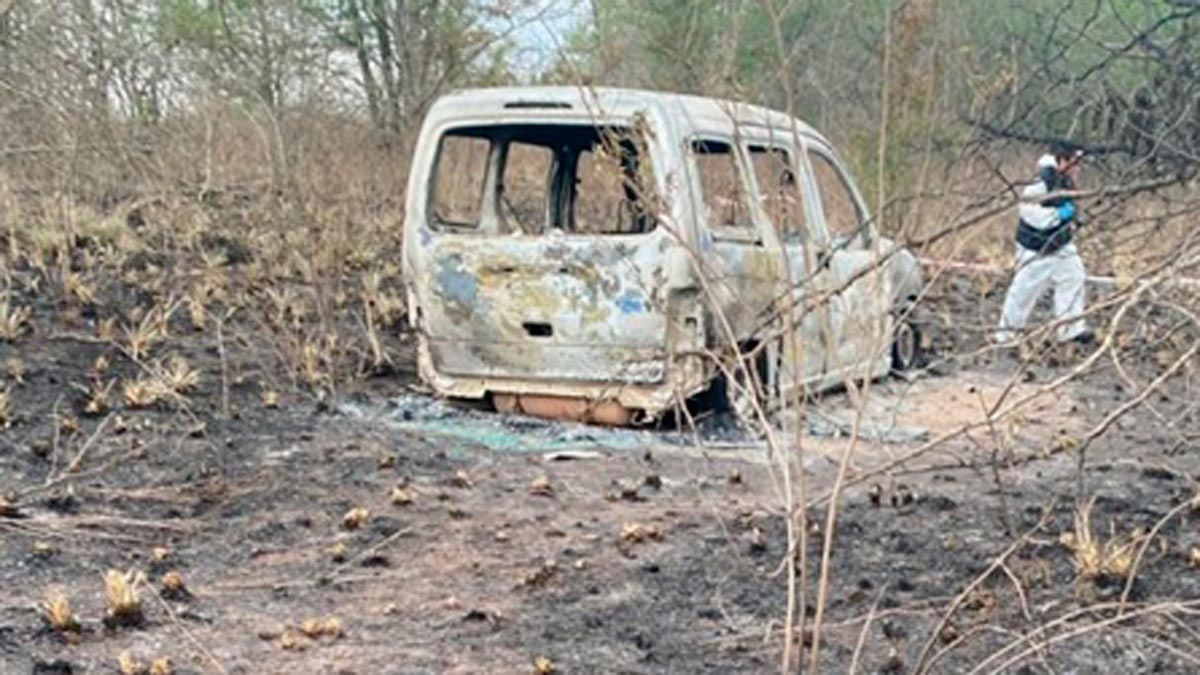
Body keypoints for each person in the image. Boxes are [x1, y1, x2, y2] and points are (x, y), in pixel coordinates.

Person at [995, 142, 1096, 346]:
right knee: (1024, 291)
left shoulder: (1066, 180)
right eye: (1075, 163)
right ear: (1062, 161)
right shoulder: (1042, 181)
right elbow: (1029, 212)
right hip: (1035, 247)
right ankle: (1006, 335)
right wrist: (1057, 215)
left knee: (1073, 276)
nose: (1078, 169)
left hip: (1061, 244)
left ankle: (1070, 329)